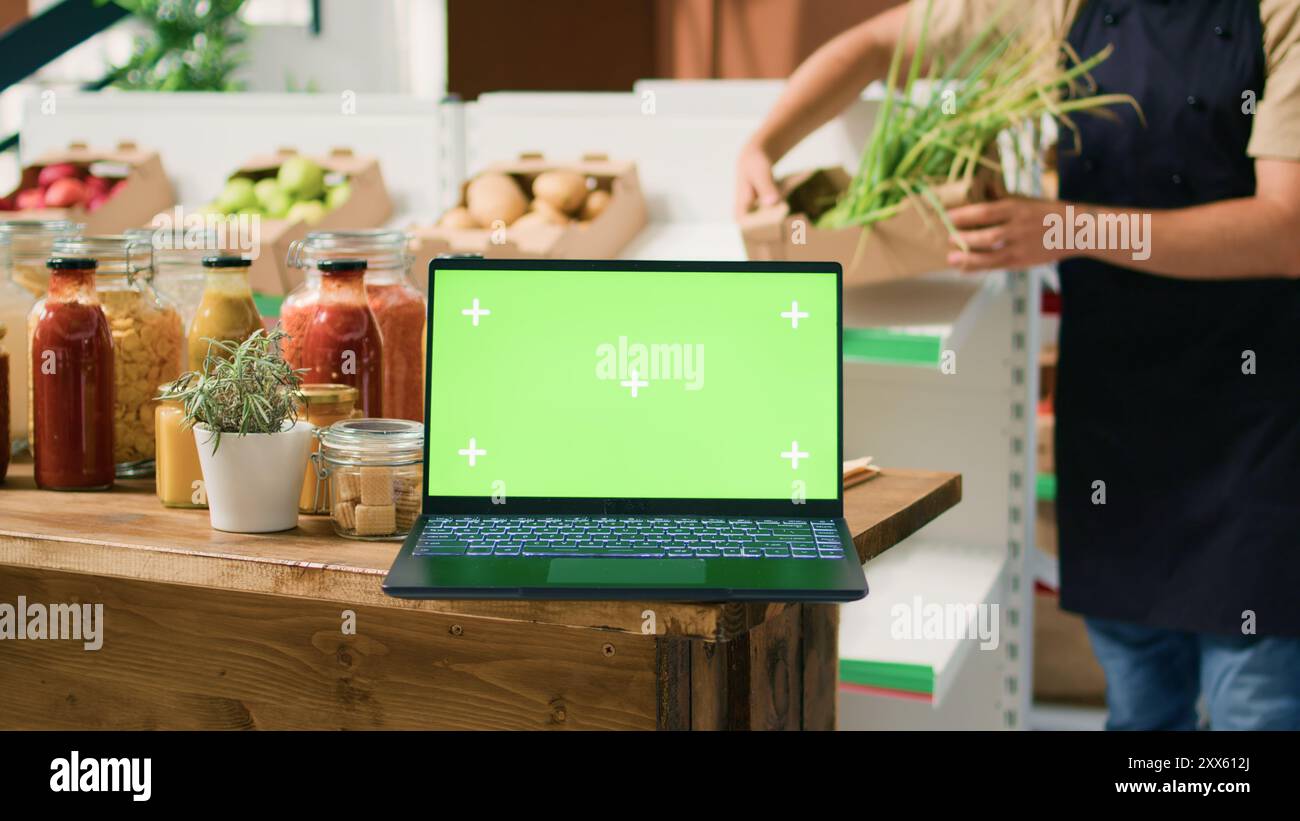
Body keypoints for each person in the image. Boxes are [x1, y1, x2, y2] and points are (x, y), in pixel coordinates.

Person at [738, 0, 1300, 730]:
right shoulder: (1062, 7)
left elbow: (1286, 229)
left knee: (1255, 708)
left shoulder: (1279, 12)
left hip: (1254, 419)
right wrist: (762, 143)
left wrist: (1069, 225)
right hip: (1119, 411)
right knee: (1138, 706)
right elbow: (879, 44)